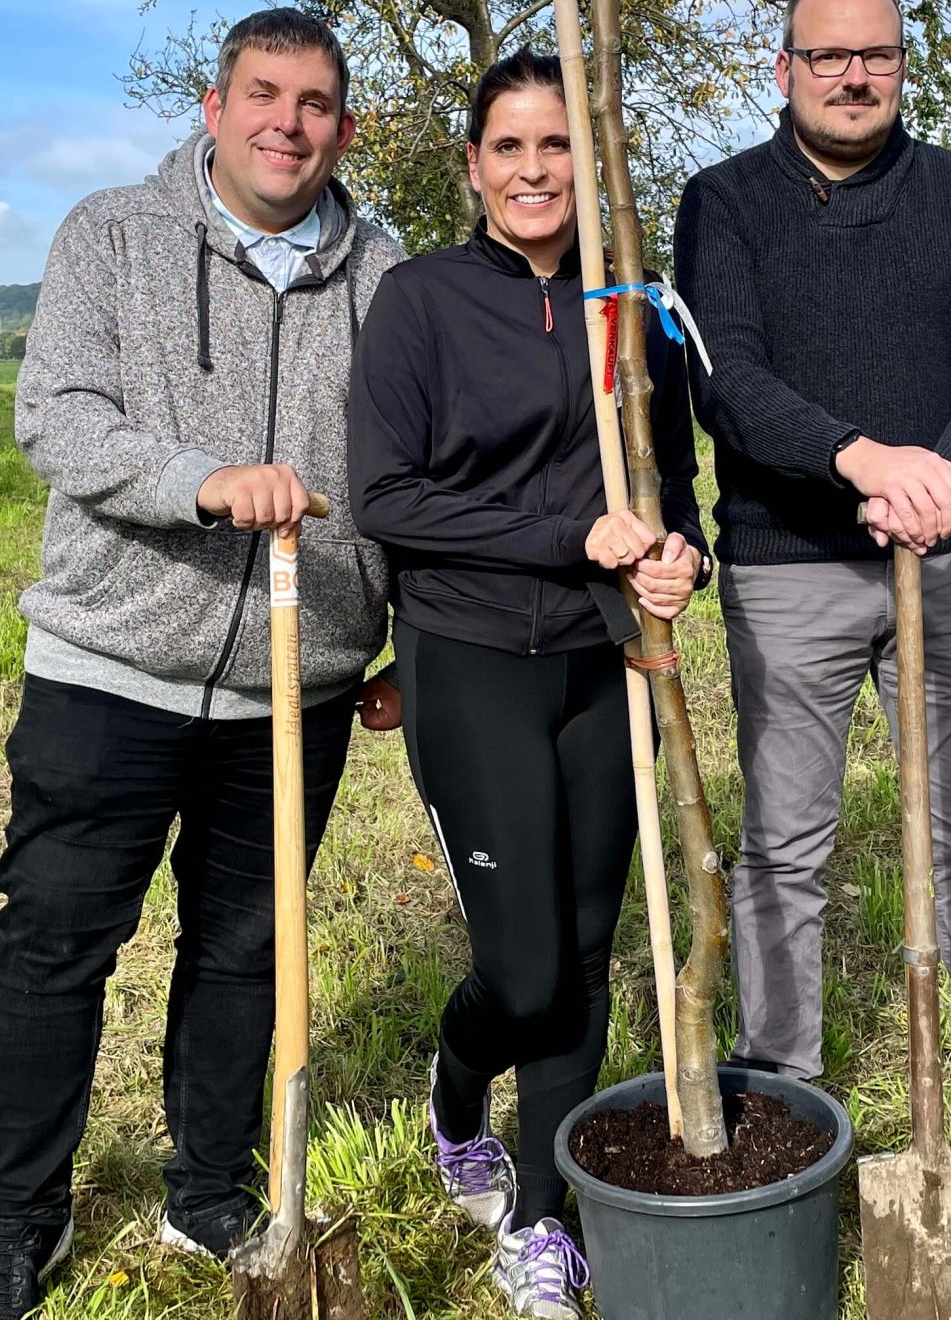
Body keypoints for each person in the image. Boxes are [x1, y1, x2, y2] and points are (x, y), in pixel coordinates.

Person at [0, 12, 407, 1319]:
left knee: (247, 950)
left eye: (316, 103)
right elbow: (61, 418)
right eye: (263, 94)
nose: (287, 123)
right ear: (215, 106)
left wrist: (404, 636)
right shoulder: (111, 235)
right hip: (108, 667)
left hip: (296, 683)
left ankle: (207, 1183)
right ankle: (17, 1218)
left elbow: (412, 479)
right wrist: (199, 482)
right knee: (56, 947)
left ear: (345, 127)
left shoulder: (387, 280)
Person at [673, 0, 951, 1225]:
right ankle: (784, 1099)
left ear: (901, 66)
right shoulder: (721, 201)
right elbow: (728, 379)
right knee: (788, 852)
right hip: (788, 566)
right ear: (787, 68)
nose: (853, 76)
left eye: (876, 54)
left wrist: (947, 480)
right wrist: (863, 460)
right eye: (829, 55)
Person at [348, 46, 711, 1320]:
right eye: (509, 146)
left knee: (592, 949)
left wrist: (680, 557)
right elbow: (387, 496)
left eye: (557, 144)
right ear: (473, 167)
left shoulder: (637, 309)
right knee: (528, 971)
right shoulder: (423, 301)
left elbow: (676, 489)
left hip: (607, 661)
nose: (535, 169)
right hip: (470, 655)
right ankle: (457, 1091)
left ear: (590, 159)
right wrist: (572, 537)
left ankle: (542, 1224)